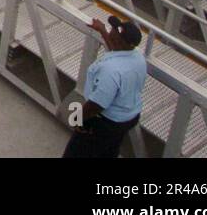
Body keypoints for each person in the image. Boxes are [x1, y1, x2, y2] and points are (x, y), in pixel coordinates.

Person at [62, 16, 147, 158]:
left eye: (114, 30)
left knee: (76, 152)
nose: (112, 29)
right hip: (128, 117)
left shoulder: (111, 71)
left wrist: (78, 118)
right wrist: (102, 31)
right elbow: (116, 50)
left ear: (120, 41)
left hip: (105, 123)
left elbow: (97, 105)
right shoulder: (137, 57)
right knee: (108, 150)